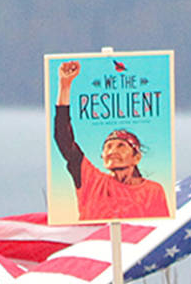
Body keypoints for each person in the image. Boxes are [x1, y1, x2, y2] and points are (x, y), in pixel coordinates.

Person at [53, 60, 172, 220]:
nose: (112, 151)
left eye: (121, 146)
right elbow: (63, 138)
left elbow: (159, 230)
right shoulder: (92, 181)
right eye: (107, 147)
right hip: (96, 244)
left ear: (136, 157)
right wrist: (65, 86)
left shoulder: (153, 191)